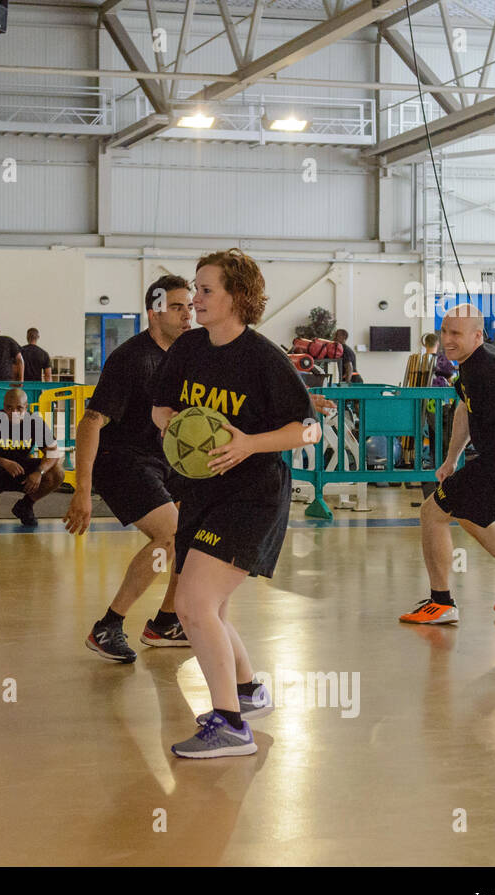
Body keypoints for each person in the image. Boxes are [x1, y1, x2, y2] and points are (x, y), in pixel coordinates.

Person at [151, 249, 315, 758]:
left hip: (254, 496)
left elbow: (306, 429)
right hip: (201, 492)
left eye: (205, 291)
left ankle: (230, 724)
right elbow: (162, 410)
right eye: (194, 290)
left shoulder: (265, 358)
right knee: (212, 606)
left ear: (237, 298)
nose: (193, 300)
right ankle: (246, 691)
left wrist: (246, 443)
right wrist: (184, 434)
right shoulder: (188, 349)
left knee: (192, 603)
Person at [63, 275, 194, 662]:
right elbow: (90, 422)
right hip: (121, 462)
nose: (188, 314)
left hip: (164, 461)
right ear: (154, 312)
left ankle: (167, 622)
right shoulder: (131, 359)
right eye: (177, 307)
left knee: (190, 536)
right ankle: (109, 626)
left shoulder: (185, 355)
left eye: (189, 306)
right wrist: (81, 491)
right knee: (169, 536)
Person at [399, 303, 495, 625]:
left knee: (432, 513)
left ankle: (441, 603)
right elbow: (465, 411)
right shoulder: (469, 364)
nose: (447, 339)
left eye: (456, 333)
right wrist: (451, 460)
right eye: (444, 331)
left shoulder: (487, 371)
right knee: (469, 517)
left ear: (477, 335)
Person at [0, 387, 64, 527]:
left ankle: (25, 506)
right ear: (3, 406)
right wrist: (3, 462)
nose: (14, 413)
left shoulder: (34, 422)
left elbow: (53, 452)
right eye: (9, 408)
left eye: (19, 408)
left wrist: (39, 472)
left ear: (26, 407)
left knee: (58, 473)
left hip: (22, 471)